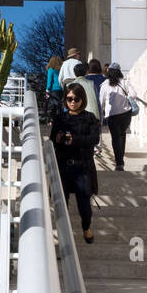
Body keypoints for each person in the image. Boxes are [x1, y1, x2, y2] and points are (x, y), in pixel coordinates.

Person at [51, 83, 100, 244]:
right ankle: (63, 236)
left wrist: (74, 140)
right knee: (61, 204)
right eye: (69, 98)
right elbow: (52, 142)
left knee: (84, 204)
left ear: (82, 100)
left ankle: (86, 227)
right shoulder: (60, 119)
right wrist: (58, 139)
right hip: (63, 166)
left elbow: (94, 139)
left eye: (76, 99)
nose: (72, 102)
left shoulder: (89, 118)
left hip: (82, 166)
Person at [99, 64, 137, 170]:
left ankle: (119, 162)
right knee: (122, 135)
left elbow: (101, 102)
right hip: (126, 113)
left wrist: (100, 117)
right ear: (119, 71)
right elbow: (134, 95)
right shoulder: (124, 82)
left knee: (115, 138)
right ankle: (120, 160)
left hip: (112, 115)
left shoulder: (105, 84)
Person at [44, 54, 65, 122]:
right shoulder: (61, 70)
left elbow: (49, 82)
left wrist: (47, 90)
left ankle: (53, 121)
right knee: (59, 105)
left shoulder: (51, 70)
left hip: (53, 90)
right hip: (61, 90)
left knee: (53, 106)